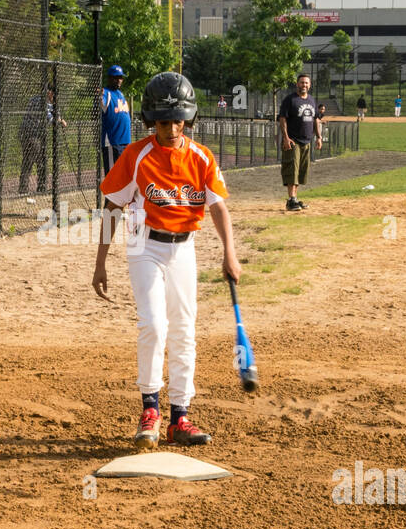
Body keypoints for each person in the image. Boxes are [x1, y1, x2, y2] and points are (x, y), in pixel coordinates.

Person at [93, 71, 241, 449]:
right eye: (163, 121)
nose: (172, 128)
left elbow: (218, 207)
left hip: (183, 249)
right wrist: (100, 262)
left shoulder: (201, 157)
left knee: (184, 330)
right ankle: (150, 409)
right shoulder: (136, 155)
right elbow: (112, 207)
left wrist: (230, 252)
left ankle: (180, 416)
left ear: (187, 120)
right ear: (150, 121)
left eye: (178, 120)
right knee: (155, 326)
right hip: (146, 247)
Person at [277, 73, 322, 211]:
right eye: (302, 82)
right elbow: (282, 118)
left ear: (310, 85)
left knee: (301, 171)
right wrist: (285, 138)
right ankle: (291, 200)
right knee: (292, 169)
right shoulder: (290, 100)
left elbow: (315, 119)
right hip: (293, 141)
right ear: (297, 84)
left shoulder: (312, 100)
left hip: (306, 141)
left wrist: (319, 137)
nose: (304, 85)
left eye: (306, 83)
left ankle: (295, 198)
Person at [18, 83, 65, 197]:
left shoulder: (51, 102)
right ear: (49, 92)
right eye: (53, 94)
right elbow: (49, 118)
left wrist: (58, 116)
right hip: (29, 134)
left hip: (39, 135)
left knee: (42, 161)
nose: (55, 97)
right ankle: (23, 190)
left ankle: (41, 187)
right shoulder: (39, 101)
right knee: (30, 160)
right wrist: (59, 120)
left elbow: (55, 113)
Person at [100, 65, 131, 178]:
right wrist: (98, 95)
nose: (119, 80)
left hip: (126, 143)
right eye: (116, 77)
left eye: (121, 77)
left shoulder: (120, 94)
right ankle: (110, 197)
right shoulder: (106, 93)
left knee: (124, 178)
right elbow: (101, 102)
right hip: (113, 143)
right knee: (114, 178)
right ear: (109, 78)